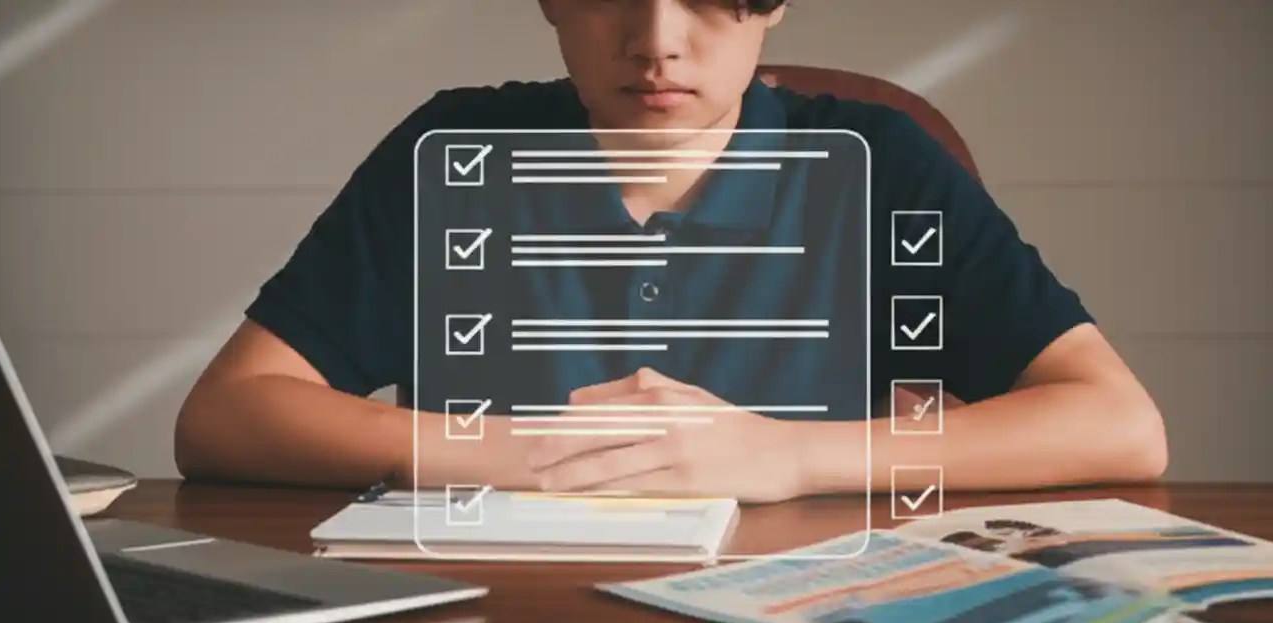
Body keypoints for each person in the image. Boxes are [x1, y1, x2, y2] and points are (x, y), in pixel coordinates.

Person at [175, 0, 1167, 502]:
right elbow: (226, 415)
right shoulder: (461, 156)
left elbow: (1118, 424)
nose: (655, 41)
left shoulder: (874, 163)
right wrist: (529, 452)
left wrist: (780, 455)